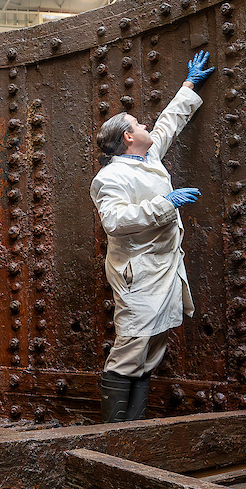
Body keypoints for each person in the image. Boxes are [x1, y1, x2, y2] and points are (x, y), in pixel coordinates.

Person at [90, 51, 213, 422]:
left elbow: (169, 124)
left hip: (164, 268)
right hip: (138, 272)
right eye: (139, 124)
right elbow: (114, 220)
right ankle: (113, 433)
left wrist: (190, 84)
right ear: (128, 137)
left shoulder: (148, 158)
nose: (147, 126)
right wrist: (166, 202)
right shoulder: (110, 178)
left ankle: (134, 429)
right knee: (131, 345)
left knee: (154, 347)